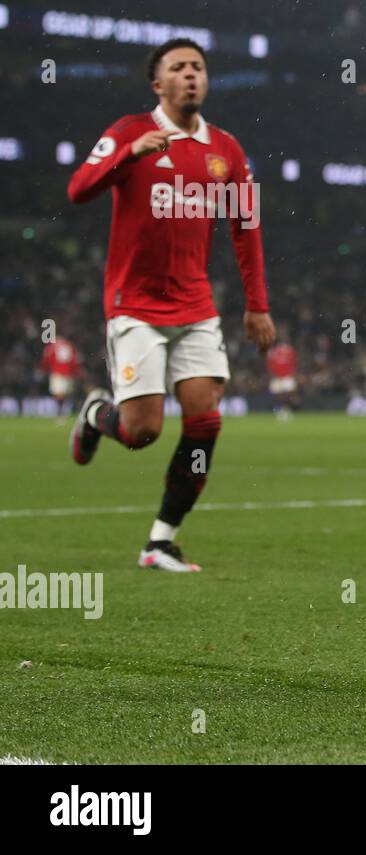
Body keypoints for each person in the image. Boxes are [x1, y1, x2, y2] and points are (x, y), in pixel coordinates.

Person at [66, 38, 276, 573]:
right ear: (157, 83)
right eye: (178, 68)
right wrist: (127, 156)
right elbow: (78, 189)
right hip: (134, 304)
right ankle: (97, 413)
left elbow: (244, 227)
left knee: (205, 416)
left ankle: (161, 540)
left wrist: (257, 304)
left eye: (198, 67)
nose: (190, 75)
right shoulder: (129, 132)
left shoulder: (225, 150)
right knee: (142, 432)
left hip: (196, 305)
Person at [41, 335, 82, 419]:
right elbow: (74, 360)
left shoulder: (52, 347)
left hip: (57, 372)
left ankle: (60, 413)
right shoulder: (70, 346)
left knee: (59, 394)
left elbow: (46, 359)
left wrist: (45, 369)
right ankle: (64, 412)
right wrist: (76, 372)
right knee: (65, 393)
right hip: (68, 373)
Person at [266, 340, 299, 421]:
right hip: (277, 377)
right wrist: (274, 376)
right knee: (277, 396)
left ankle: (286, 411)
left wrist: (292, 374)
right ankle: (279, 411)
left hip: (287, 377)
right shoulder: (272, 352)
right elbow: (270, 366)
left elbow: (294, 363)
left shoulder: (289, 350)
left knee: (288, 395)